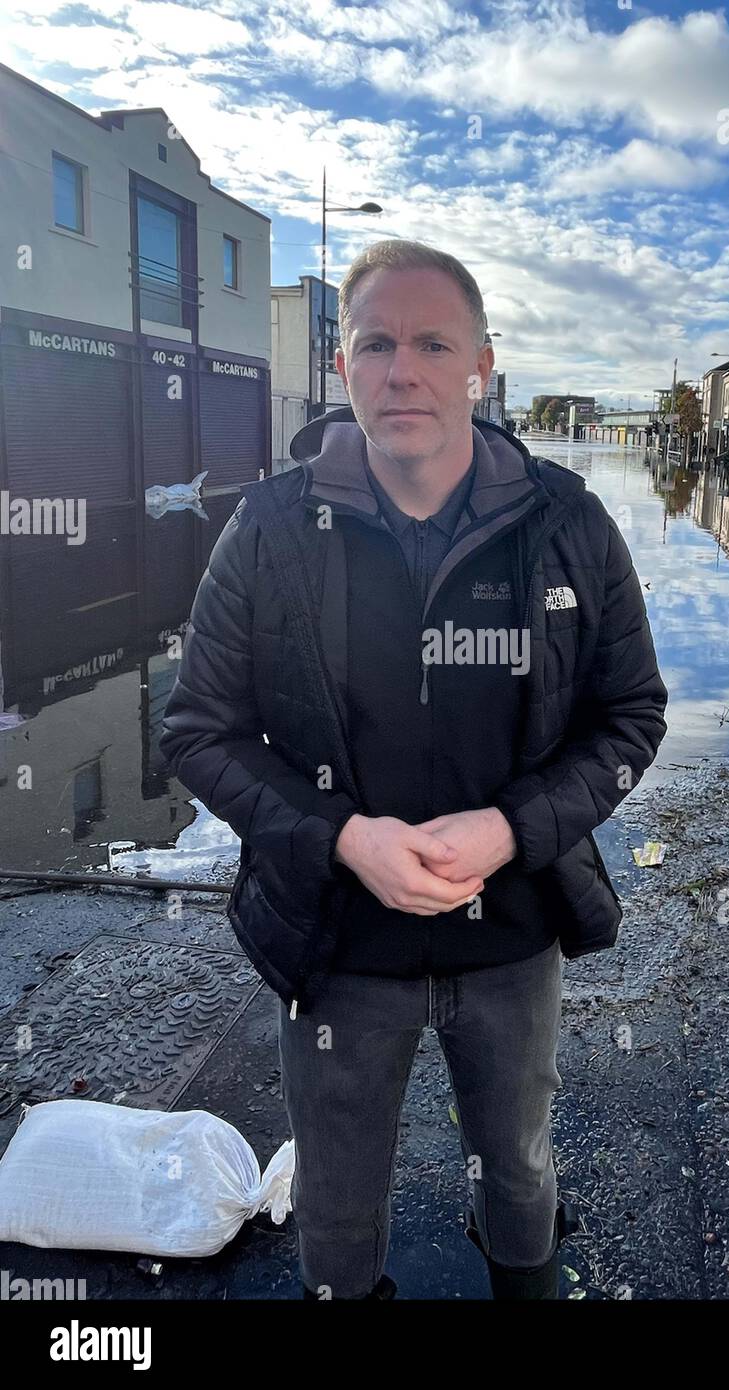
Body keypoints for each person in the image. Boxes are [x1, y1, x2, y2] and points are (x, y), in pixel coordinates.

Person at [160, 239, 668, 1301]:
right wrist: (343, 838)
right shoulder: (267, 530)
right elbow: (200, 729)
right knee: (339, 1206)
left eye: (434, 342)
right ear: (344, 368)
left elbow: (629, 716)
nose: (405, 369)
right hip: (337, 943)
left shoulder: (568, 522)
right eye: (377, 343)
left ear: (481, 362)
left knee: (520, 1161)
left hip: (515, 935)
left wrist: (514, 827)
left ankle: (523, 1273)